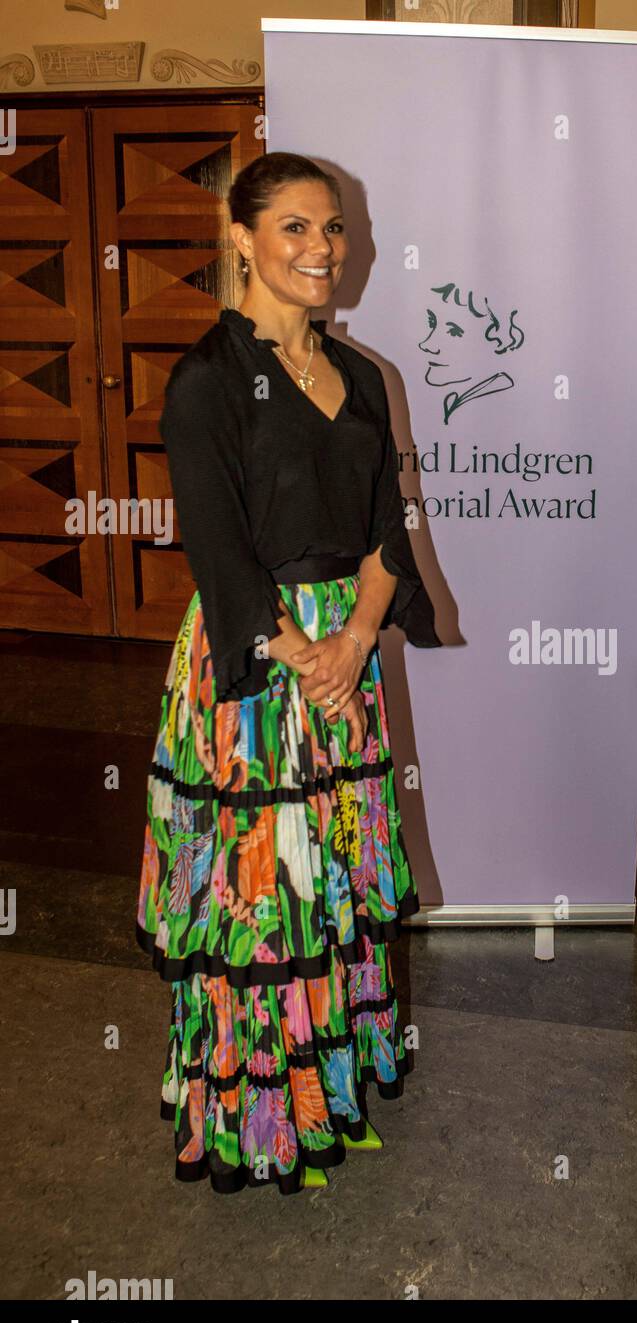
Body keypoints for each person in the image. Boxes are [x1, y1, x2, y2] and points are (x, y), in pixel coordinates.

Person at [136, 151, 440, 1192]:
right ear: (242, 241)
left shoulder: (363, 377)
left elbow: (385, 533)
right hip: (251, 668)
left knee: (335, 887)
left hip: (341, 663)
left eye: (333, 228)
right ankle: (255, 1113)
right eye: (295, 228)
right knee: (260, 891)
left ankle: (331, 1087)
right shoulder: (206, 381)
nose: (320, 248)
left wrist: (356, 641)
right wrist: (296, 649)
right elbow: (216, 546)